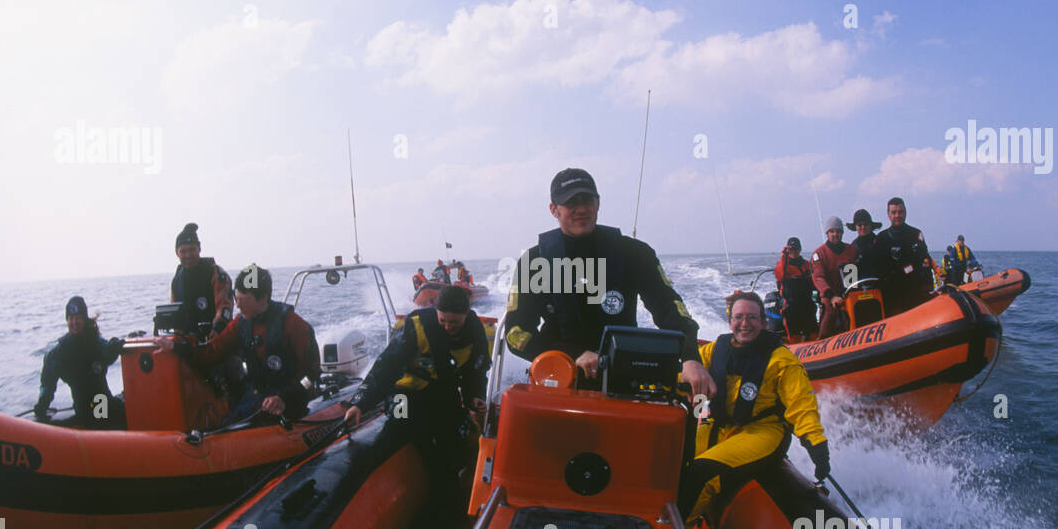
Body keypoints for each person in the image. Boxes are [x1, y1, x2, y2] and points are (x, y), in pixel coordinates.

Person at [505, 167, 716, 397]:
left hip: (624, 379)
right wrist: (574, 354)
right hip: (559, 379)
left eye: (588, 200)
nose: (582, 209)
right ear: (554, 209)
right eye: (571, 203)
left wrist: (690, 358)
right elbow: (516, 333)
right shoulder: (535, 261)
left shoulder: (633, 253)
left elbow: (669, 308)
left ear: (598, 203)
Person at [678, 293, 830, 524]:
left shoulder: (781, 360)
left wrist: (817, 446)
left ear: (763, 322)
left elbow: (802, 405)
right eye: (738, 317)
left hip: (762, 430)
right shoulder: (716, 349)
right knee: (676, 457)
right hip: (719, 425)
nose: (744, 324)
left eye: (752, 317)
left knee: (702, 472)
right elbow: (688, 376)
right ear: (730, 321)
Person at [344, 284, 491, 480]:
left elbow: (476, 371)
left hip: (442, 392)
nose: (448, 327)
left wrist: (475, 396)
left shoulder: (474, 331)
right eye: (443, 320)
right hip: (403, 393)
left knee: (455, 438)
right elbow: (386, 366)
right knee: (396, 426)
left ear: (466, 315)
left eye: (454, 322)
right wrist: (360, 403)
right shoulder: (417, 325)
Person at [155, 264, 319, 424]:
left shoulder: (293, 325)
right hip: (258, 394)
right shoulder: (241, 322)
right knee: (228, 423)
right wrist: (176, 347)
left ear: (262, 298)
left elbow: (311, 377)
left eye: (242, 300)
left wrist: (285, 397)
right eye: (236, 298)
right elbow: (213, 351)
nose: (238, 305)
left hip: (290, 397)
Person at [34, 296, 126, 429]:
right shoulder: (58, 353)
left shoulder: (96, 341)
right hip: (84, 410)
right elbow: (47, 385)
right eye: (71, 318)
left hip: (103, 405)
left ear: (84, 319)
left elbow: (108, 354)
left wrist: (115, 347)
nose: (74, 322)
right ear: (67, 320)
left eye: (78, 318)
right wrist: (41, 408)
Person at [870, 196, 933, 316]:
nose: (897, 215)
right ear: (888, 214)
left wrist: (928, 286)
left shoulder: (916, 235)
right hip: (892, 295)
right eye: (894, 212)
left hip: (914, 291)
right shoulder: (881, 239)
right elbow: (876, 268)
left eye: (900, 212)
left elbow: (925, 262)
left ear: (905, 213)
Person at [170, 223, 234, 335]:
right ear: (177, 253)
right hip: (188, 340)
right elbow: (175, 315)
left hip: (217, 337)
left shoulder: (215, 273)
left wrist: (216, 329)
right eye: (183, 251)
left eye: (191, 250)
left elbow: (224, 307)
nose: (188, 255)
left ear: (199, 248)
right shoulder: (176, 281)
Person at [811, 217, 858, 340]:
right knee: (829, 313)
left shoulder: (851, 251)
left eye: (838, 231)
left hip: (849, 294)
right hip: (829, 297)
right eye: (832, 231)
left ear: (842, 233)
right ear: (827, 233)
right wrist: (832, 296)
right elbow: (818, 278)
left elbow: (855, 274)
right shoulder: (819, 254)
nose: (835, 234)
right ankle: (821, 342)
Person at [773, 237, 816, 341]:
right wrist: (784, 256)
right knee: (789, 314)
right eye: (791, 249)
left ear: (800, 249)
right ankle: (793, 340)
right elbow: (779, 275)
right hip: (790, 303)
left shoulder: (806, 264)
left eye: (796, 249)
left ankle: (812, 338)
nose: (794, 252)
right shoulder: (783, 264)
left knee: (811, 316)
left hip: (806, 301)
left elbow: (815, 278)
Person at [845, 208, 882, 281]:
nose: (863, 227)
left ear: (871, 225)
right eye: (859, 225)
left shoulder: (880, 242)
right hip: (860, 288)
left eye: (865, 224)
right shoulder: (852, 247)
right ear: (855, 227)